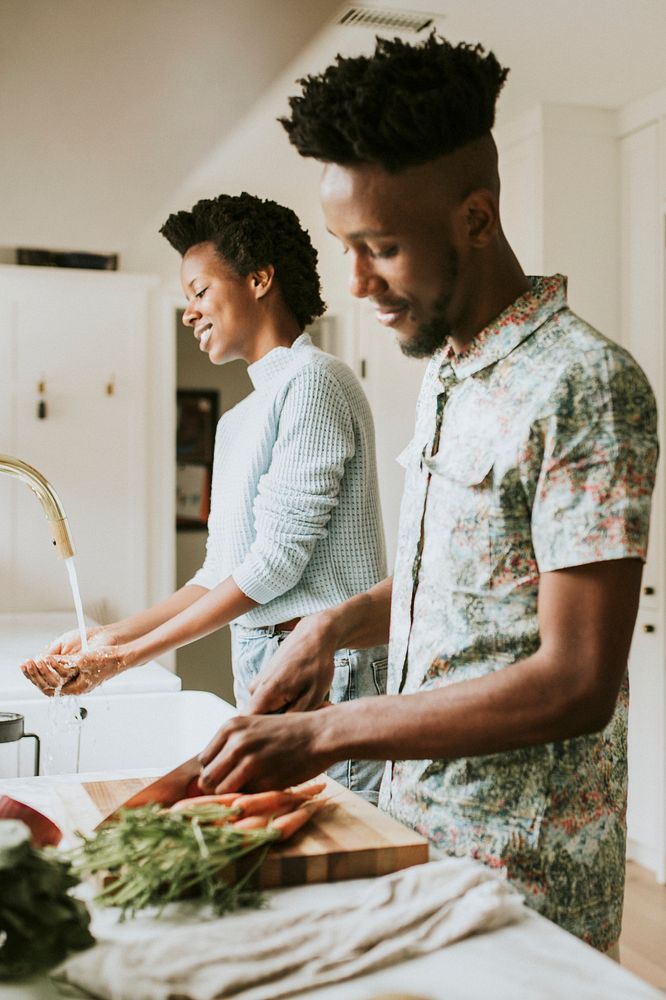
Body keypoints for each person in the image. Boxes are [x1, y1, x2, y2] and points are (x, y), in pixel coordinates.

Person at [194, 37, 658, 953]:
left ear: (476, 218)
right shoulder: (450, 373)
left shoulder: (585, 384)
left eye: (384, 249)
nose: (357, 285)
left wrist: (329, 733)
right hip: (419, 834)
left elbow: (576, 681)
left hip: (524, 876)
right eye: (346, 250)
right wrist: (331, 627)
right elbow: (464, 593)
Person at [20, 191, 388, 801]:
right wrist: (108, 637)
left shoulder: (316, 381)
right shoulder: (238, 420)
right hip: (262, 657)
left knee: (337, 835)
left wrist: (131, 656)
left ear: (260, 278)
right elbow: (220, 570)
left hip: (328, 666)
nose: (189, 312)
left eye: (198, 290)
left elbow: (274, 567)